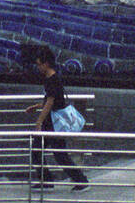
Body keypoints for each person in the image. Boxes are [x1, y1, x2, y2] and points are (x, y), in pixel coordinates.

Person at [25, 45, 88, 190]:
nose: (38, 67)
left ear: (46, 64)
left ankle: (80, 181)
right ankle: (47, 180)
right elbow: (49, 100)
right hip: (51, 122)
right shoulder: (51, 78)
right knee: (38, 150)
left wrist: (39, 121)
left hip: (54, 123)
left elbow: (51, 102)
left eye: (39, 64)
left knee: (58, 154)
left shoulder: (52, 79)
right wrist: (35, 107)